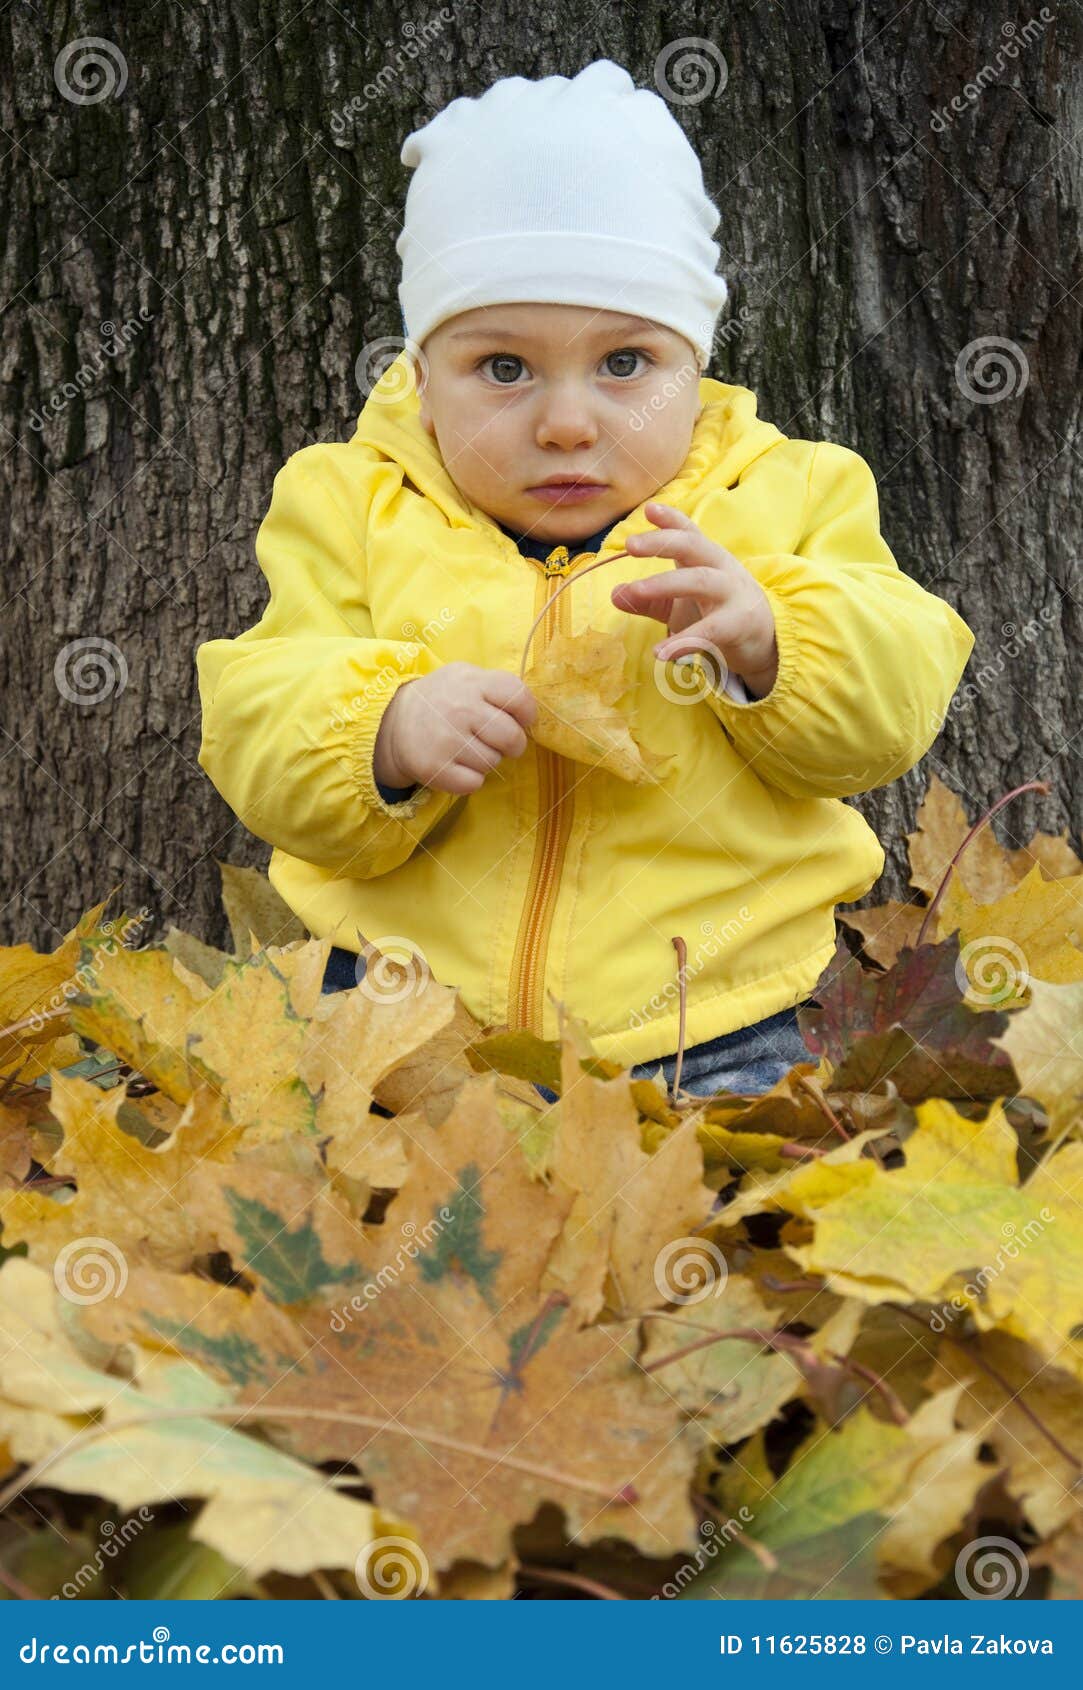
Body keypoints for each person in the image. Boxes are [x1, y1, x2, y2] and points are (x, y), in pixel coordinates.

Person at [195, 60, 975, 1105]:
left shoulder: (787, 494)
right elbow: (257, 709)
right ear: (423, 380)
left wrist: (773, 641)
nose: (567, 420)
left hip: (717, 1023)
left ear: (695, 370)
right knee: (348, 1206)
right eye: (504, 369)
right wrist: (382, 731)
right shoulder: (351, 504)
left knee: (716, 1228)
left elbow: (893, 705)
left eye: (624, 364)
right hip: (394, 1016)